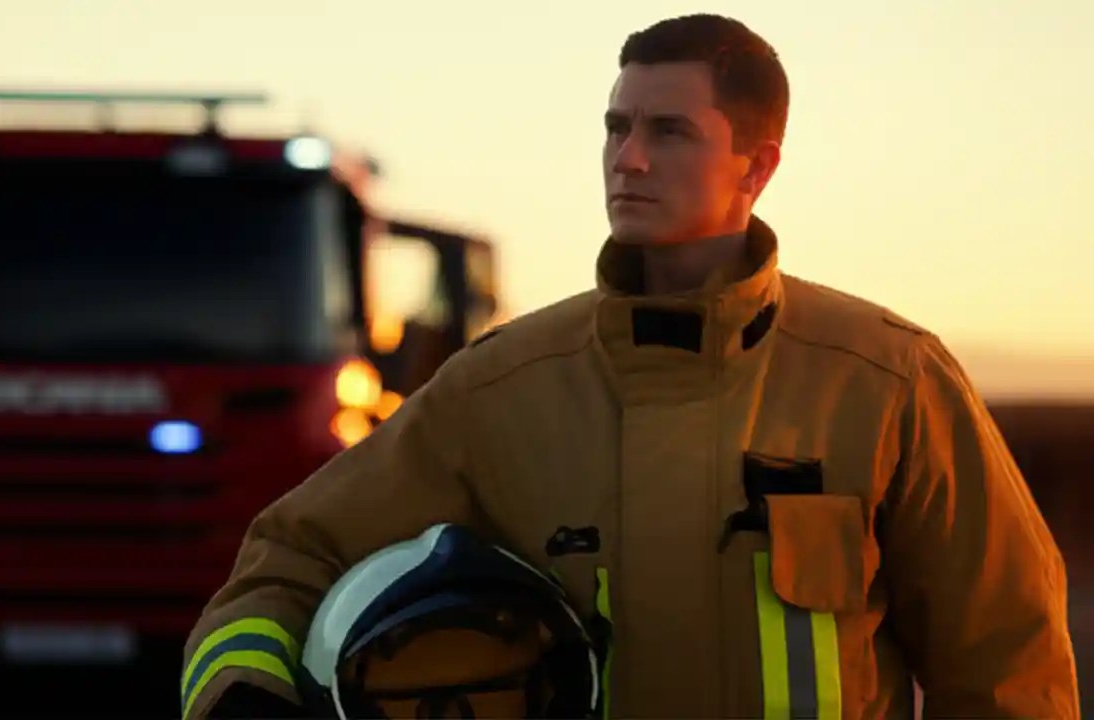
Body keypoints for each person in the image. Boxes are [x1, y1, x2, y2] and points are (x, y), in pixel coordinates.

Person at [182, 13, 1080, 719]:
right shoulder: (499, 390)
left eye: (671, 131)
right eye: (617, 126)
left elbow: (1008, 666)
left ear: (756, 165)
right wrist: (244, 695)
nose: (630, 157)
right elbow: (291, 555)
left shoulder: (887, 382)